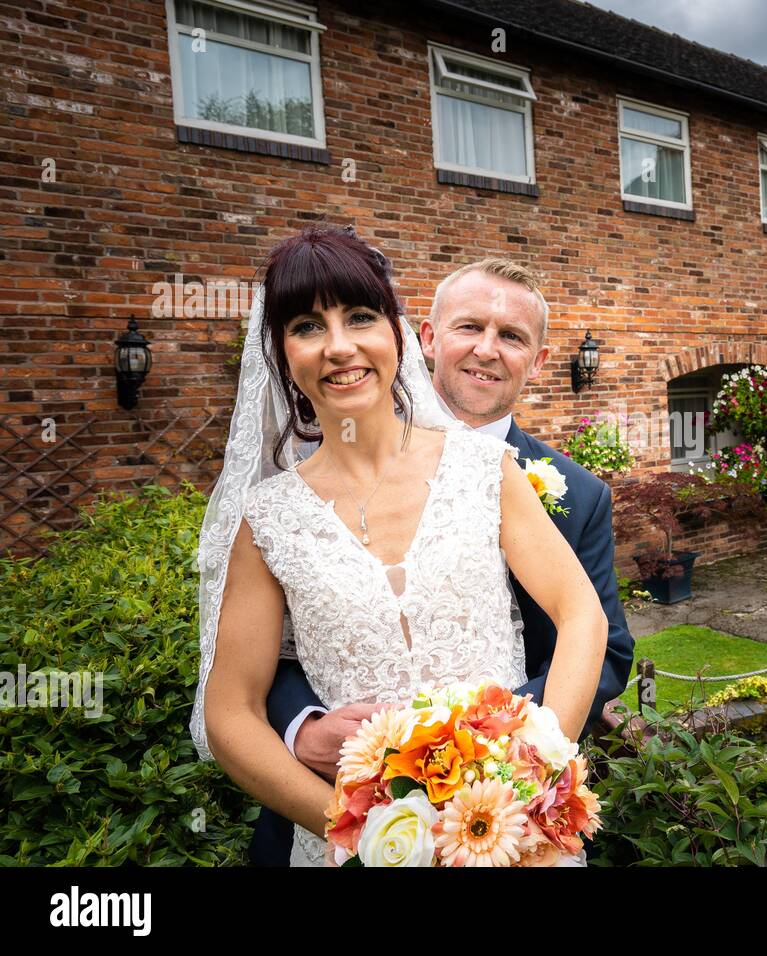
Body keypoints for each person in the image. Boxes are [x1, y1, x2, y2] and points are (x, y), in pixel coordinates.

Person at [192, 229, 626, 867]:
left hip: (509, 833)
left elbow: (584, 615)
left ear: (394, 335)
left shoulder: (483, 468)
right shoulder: (269, 518)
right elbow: (229, 714)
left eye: (360, 317)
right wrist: (374, 832)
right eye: (308, 326)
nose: (339, 347)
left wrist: (527, 780)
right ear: (282, 355)